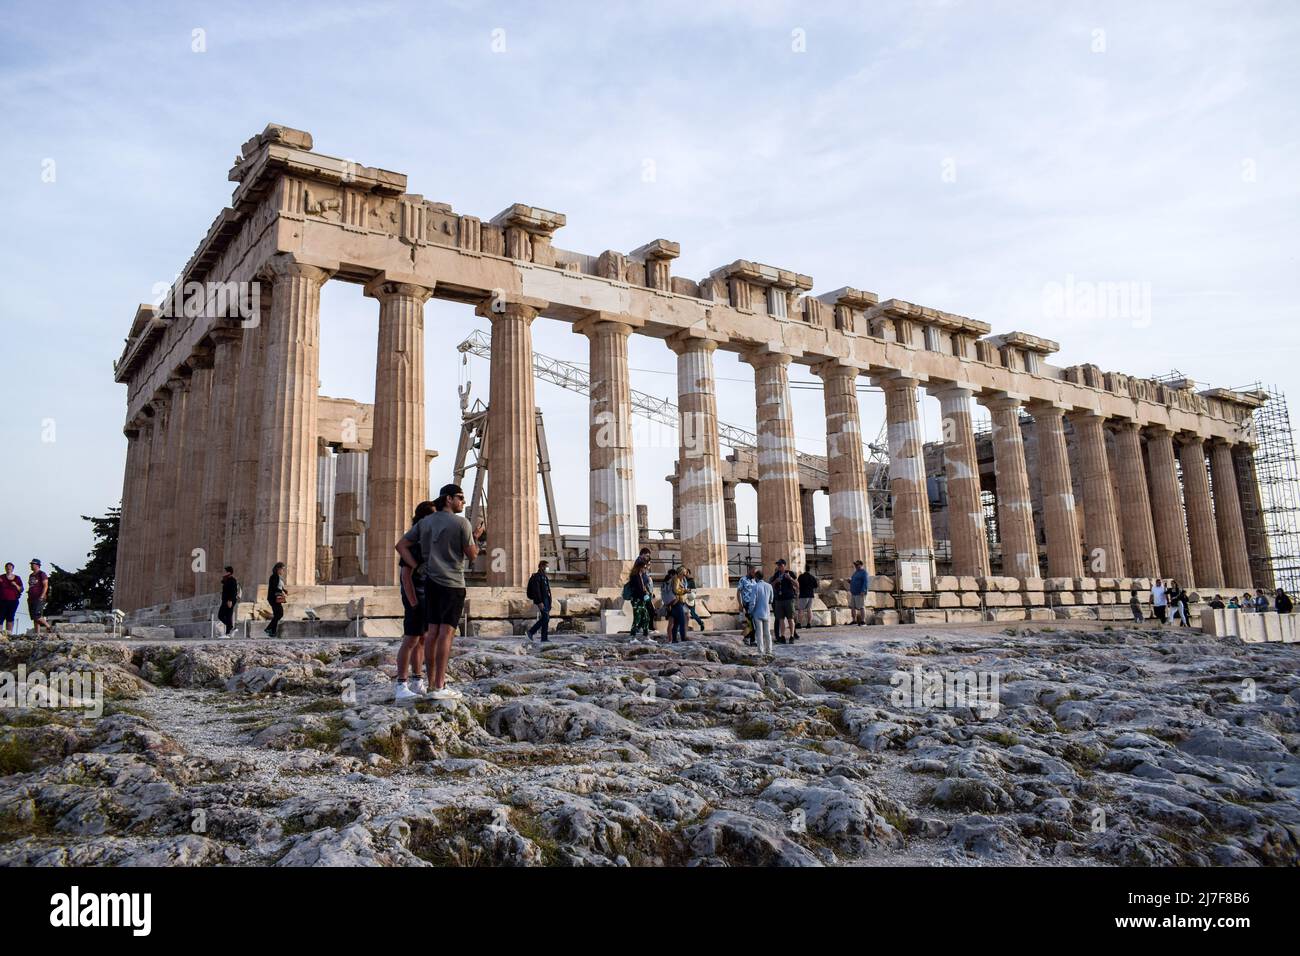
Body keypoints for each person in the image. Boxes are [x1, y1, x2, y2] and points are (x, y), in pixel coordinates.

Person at [397, 483, 482, 700]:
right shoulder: (461, 523)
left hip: (431, 583)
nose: (463, 502)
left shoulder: (425, 522)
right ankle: (439, 685)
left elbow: (401, 545)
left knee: (431, 633)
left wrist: (417, 565)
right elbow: (472, 555)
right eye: (460, 498)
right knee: (446, 634)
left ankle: (430, 682)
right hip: (452, 584)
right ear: (448, 499)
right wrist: (476, 537)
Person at [392, 499, 438, 704]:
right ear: (424, 518)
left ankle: (417, 681)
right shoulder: (413, 543)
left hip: (428, 594)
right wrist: (412, 602)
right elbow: (405, 576)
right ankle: (401, 684)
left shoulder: (429, 541)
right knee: (410, 639)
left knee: (422, 638)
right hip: (415, 595)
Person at [771, 559, 799, 644]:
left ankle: (791, 636)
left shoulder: (790, 573)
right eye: (778, 565)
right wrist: (776, 581)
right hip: (779, 599)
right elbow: (771, 585)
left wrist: (790, 578)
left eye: (780, 565)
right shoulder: (776, 574)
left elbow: (797, 585)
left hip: (788, 599)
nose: (779, 566)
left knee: (790, 618)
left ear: (784, 565)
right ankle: (782, 636)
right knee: (781, 619)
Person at [626, 557, 653, 640]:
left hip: (641, 600)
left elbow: (644, 586)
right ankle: (632, 635)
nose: (646, 568)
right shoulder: (635, 576)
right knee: (637, 618)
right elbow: (638, 590)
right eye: (644, 567)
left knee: (646, 617)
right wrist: (645, 595)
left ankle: (646, 635)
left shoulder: (642, 576)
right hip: (636, 600)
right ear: (640, 567)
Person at [526, 559, 553, 642]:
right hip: (541, 600)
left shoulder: (544, 577)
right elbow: (536, 591)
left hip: (547, 600)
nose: (547, 568)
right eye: (546, 566)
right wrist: (539, 602)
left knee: (546, 618)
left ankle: (544, 638)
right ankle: (531, 632)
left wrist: (550, 601)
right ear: (542, 566)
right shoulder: (536, 577)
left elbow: (547, 590)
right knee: (545, 618)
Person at [751, 569, 775, 657]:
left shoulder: (755, 587)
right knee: (767, 632)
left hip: (757, 612)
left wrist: (750, 611)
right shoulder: (769, 586)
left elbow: (753, 601)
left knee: (759, 632)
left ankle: (760, 650)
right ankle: (769, 650)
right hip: (766, 611)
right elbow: (771, 600)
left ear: (756, 577)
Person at [662, 567, 688, 643]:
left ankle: (674, 639)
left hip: (673, 603)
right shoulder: (676, 579)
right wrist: (684, 591)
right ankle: (683, 638)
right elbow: (676, 590)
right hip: (676, 602)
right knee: (682, 621)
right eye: (683, 574)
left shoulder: (677, 579)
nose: (684, 576)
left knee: (675, 623)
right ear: (680, 573)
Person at [27, 559, 50, 636]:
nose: (31, 565)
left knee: (37, 615)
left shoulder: (42, 574)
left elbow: (45, 585)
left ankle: (48, 626)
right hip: (31, 598)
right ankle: (37, 634)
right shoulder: (31, 575)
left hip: (39, 597)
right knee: (34, 617)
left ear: (37, 565)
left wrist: (42, 595)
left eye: (33, 564)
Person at [737, 565, 758, 646]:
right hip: (747, 604)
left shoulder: (755, 580)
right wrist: (740, 604)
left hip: (755, 604)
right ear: (749, 571)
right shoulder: (743, 580)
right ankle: (752, 640)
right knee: (751, 623)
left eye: (755, 573)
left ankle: (746, 637)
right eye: (753, 572)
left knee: (753, 623)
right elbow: (738, 592)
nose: (754, 574)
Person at [0, 563, 23, 636]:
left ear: (13, 569)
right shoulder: (1, 577)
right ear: (5, 568)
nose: (8, 569)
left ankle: (9, 634)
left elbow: (21, 589)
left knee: (10, 617)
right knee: (0, 617)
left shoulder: (17, 578)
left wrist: (16, 585)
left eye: (10, 568)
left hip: (13, 601)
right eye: (7, 568)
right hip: (2, 601)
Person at [265, 562, 288, 636]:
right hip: (274, 598)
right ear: (278, 569)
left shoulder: (277, 577)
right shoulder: (274, 576)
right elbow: (274, 587)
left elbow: (279, 586)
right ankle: (269, 628)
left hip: (276, 597)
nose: (283, 571)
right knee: (280, 613)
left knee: (277, 614)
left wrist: (284, 590)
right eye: (282, 569)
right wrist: (281, 592)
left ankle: (272, 632)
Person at [681, 568, 706, 632]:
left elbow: (694, 590)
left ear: (688, 573)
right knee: (682, 613)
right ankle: (682, 628)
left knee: (693, 613)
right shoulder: (682, 580)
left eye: (686, 572)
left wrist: (687, 591)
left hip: (690, 599)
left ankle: (701, 623)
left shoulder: (691, 581)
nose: (685, 574)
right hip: (683, 599)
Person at [218, 566, 239, 636]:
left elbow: (233, 591)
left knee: (220, 615)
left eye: (225, 571)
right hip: (226, 600)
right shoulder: (227, 580)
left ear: (229, 572)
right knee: (228, 616)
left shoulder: (232, 580)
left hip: (229, 600)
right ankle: (228, 632)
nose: (223, 573)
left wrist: (230, 600)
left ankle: (230, 627)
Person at [849, 560, 869, 626]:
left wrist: (863, 590)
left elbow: (865, 582)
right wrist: (850, 581)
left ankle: (863, 621)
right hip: (853, 592)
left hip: (860, 592)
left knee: (861, 607)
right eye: (855, 565)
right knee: (853, 607)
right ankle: (854, 620)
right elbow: (854, 581)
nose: (856, 566)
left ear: (861, 565)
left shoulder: (864, 573)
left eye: (857, 565)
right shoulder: (855, 573)